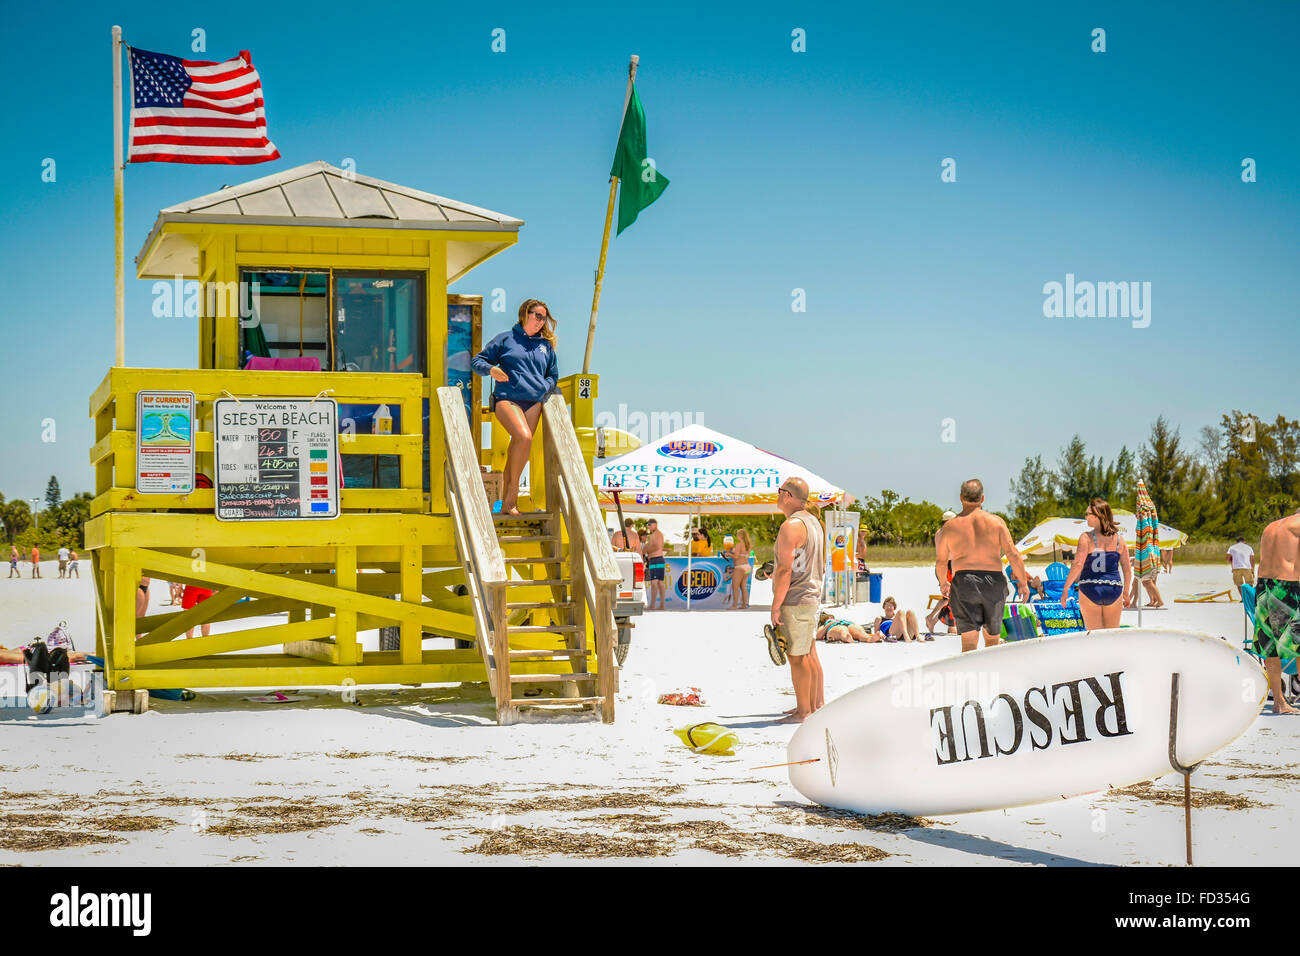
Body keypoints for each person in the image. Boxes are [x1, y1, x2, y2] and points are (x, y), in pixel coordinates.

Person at [470, 298, 559, 516]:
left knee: (518, 449)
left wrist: (544, 386)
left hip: (534, 401)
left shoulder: (545, 346)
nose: (541, 321)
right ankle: (512, 494)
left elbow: (553, 375)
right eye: (537, 316)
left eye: (544, 318)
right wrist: (491, 370)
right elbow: (477, 361)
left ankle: (507, 503)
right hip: (507, 398)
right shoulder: (506, 339)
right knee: (524, 437)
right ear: (525, 314)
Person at [935, 479, 1029, 653]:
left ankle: (972, 678)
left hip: (964, 582)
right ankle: (992, 676)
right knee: (992, 640)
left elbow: (941, 561)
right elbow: (1013, 554)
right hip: (993, 581)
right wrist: (1023, 582)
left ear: (961, 498)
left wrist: (943, 582)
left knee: (969, 642)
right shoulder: (997, 522)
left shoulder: (950, 527)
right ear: (982, 498)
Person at [766, 477, 825, 722]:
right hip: (811, 596)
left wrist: (776, 605)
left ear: (787, 495)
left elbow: (785, 571)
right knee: (808, 653)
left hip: (797, 598)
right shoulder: (814, 522)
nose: (777, 496)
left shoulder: (791, 525)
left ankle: (804, 711)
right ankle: (813, 705)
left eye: (779, 491)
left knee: (797, 657)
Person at [1253, 508, 1300, 715]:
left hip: (1263, 586)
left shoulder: (1271, 527)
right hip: (1287, 587)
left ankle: (1279, 702)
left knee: (1271, 647)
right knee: (1298, 644)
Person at [1060, 498, 1133, 631]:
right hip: (1114, 589)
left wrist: (1065, 589)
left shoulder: (1086, 538)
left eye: (1089, 514)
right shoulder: (1120, 540)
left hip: (1090, 588)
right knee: (1111, 635)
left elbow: (1077, 564)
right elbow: (1127, 570)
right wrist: (1126, 592)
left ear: (1099, 516)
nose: (1086, 517)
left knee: (1094, 637)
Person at [642, 519, 666, 610]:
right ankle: (661, 605)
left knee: (655, 583)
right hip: (655, 560)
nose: (648, 526)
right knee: (659, 583)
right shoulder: (653, 535)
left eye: (650, 524)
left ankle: (653, 605)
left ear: (655, 524)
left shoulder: (658, 534)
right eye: (648, 525)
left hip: (657, 559)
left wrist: (647, 550)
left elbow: (657, 547)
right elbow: (652, 546)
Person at [730, 529, 752, 609]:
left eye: (737, 535)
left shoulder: (739, 545)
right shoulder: (749, 545)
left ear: (740, 536)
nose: (737, 537)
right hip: (747, 566)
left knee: (735, 587)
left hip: (740, 567)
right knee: (743, 586)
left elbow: (736, 556)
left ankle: (734, 605)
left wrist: (729, 554)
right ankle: (744, 605)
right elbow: (744, 555)